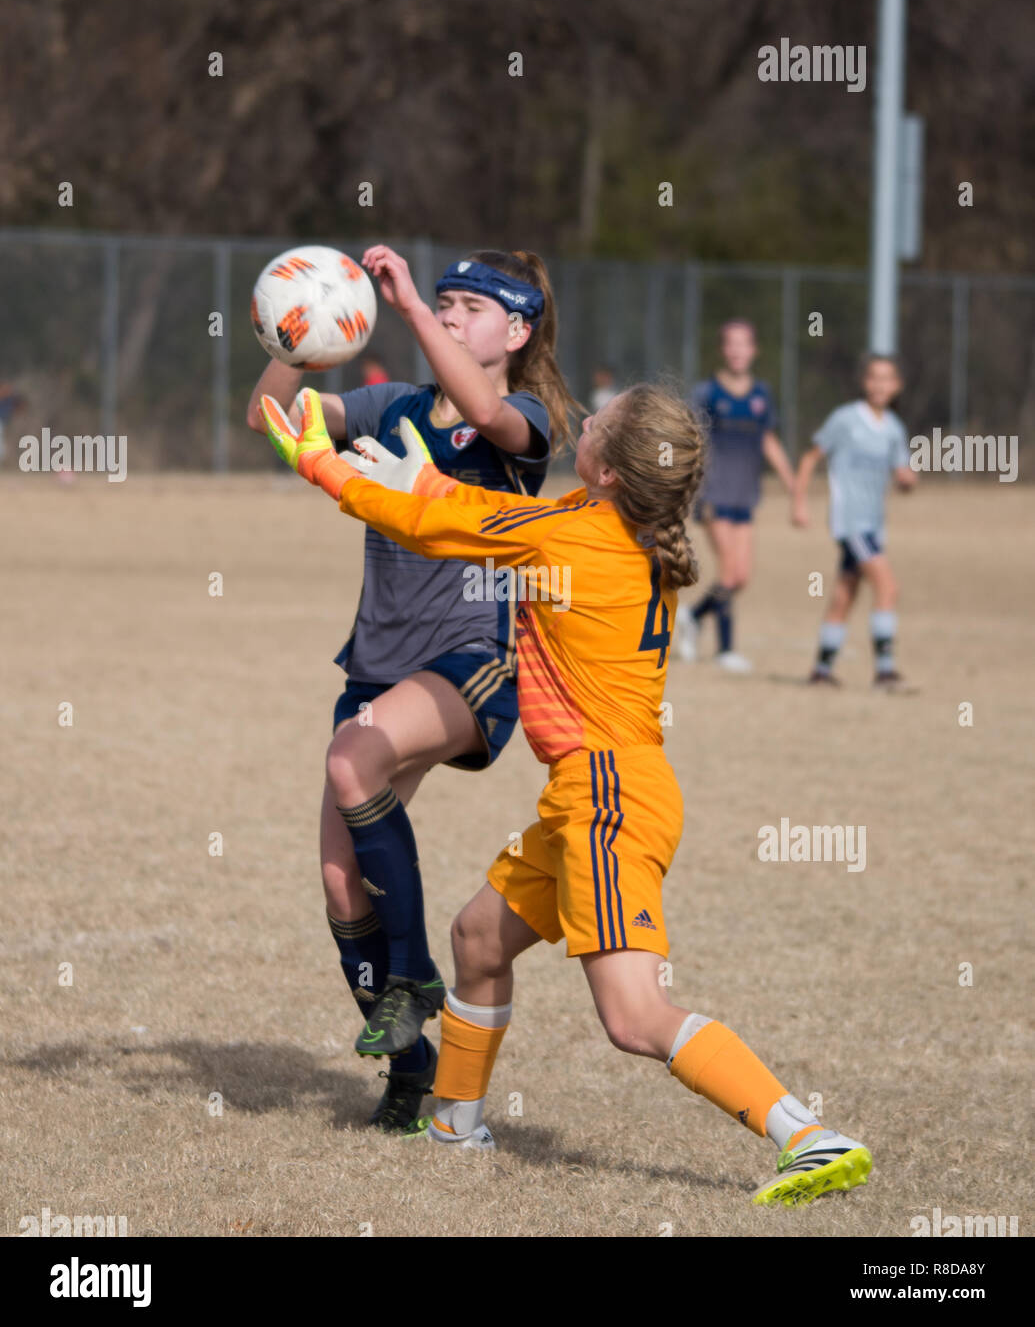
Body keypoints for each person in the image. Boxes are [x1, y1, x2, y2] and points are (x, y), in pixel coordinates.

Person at [259, 379, 874, 1207]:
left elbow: (439, 527)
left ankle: (806, 1134)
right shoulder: (605, 527)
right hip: (589, 794)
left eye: (600, 423)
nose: (582, 421)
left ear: (613, 470)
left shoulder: (572, 535)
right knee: (478, 940)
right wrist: (416, 477)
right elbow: (463, 512)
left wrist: (321, 467)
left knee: (631, 1018)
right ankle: (456, 1126)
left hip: (609, 797)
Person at [246, 244, 578, 1131]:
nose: (449, 315)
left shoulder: (523, 417)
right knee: (339, 886)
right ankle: (408, 1064)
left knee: (351, 762)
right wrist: (302, 330)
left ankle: (416, 974)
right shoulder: (390, 405)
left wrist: (406, 314)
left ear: (516, 330)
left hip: (474, 656)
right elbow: (268, 416)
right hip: (377, 662)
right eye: (444, 303)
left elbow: (477, 406)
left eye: (469, 308)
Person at [674, 320, 795, 672]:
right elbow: (689, 438)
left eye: (744, 344)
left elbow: (768, 440)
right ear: (722, 349)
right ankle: (726, 650)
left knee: (741, 576)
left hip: (746, 496)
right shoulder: (706, 394)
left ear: (754, 350)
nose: (737, 351)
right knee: (729, 571)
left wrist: (792, 485)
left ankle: (693, 617)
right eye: (731, 344)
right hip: (713, 494)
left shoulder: (761, 395)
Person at [793, 354, 916, 689]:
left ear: (897, 385)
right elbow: (809, 457)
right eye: (873, 377)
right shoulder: (845, 419)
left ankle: (821, 671)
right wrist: (799, 503)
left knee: (845, 594)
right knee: (888, 588)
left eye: (887, 378)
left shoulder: (894, 428)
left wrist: (907, 481)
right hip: (850, 522)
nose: (879, 384)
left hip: (874, 524)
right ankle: (885, 672)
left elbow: (901, 473)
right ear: (865, 382)